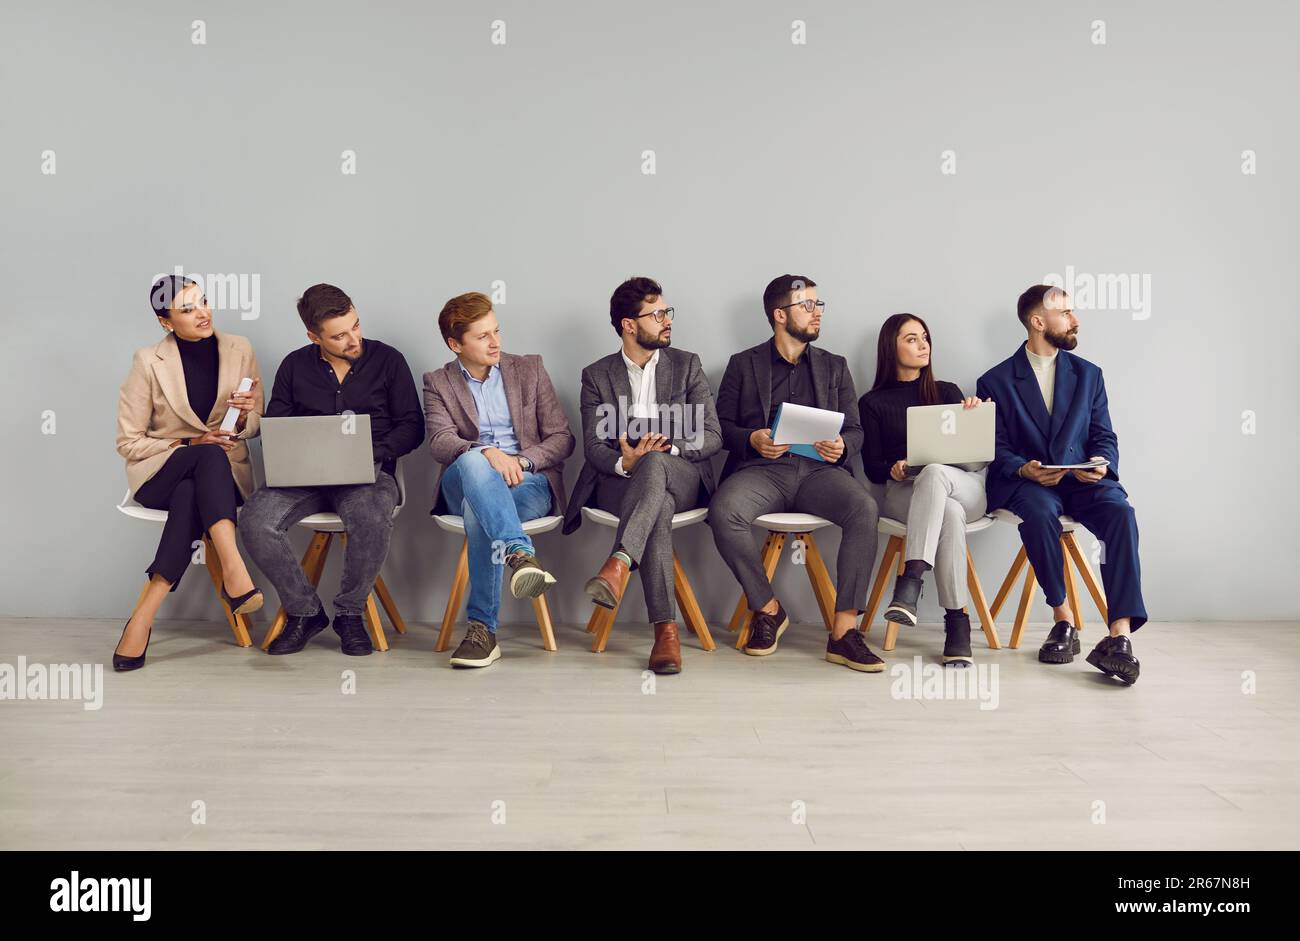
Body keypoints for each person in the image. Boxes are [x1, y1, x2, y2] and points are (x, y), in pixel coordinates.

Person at [708, 274, 884, 672]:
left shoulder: (834, 367)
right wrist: (752, 439)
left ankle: (843, 632)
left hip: (820, 471)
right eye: (807, 306)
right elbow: (720, 427)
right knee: (724, 511)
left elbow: (856, 430)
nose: (816, 313)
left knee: (864, 508)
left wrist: (842, 445)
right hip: (762, 470)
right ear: (779, 315)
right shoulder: (742, 364)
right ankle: (768, 609)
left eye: (818, 305)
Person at [240, 283, 424, 657]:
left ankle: (350, 614)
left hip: (366, 475)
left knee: (371, 517)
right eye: (339, 336)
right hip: (302, 478)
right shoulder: (294, 365)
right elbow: (278, 424)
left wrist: (370, 451)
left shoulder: (389, 360)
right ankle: (305, 611)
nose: (353, 339)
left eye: (355, 326)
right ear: (313, 336)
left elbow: (412, 425)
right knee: (255, 520)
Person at [976, 284, 1147, 684]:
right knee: (1037, 513)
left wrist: (1102, 465)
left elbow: (1105, 435)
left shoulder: (1089, 375)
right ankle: (1063, 619)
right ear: (1039, 322)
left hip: (1083, 480)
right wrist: (1024, 470)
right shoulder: (995, 381)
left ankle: (1118, 636)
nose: (1075, 320)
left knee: (1121, 513)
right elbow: (994, 448)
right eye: (1066, 313)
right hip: (1032, 484)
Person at [562, 277, 721, 674]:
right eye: (656, 314)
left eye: (666, 312)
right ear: (629, 325)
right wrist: (625, 463)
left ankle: (619, 562)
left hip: (682, 475)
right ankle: (666, 634)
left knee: (655, 464)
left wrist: (669, 449)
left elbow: (713, 435)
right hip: (620, 484)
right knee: (657, 506)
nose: (666, 320)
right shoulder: (596, 375)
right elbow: (595, 448)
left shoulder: (687, 366)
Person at [113, 275, 264, 671]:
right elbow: (128, 442)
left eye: (203, 302)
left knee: (195, 487)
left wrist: (245, 414)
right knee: (203, 456)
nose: (203, 314)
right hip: (161, 473)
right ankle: (234, 566)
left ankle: (143, 616)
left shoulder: (239, 349)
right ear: (165, 322)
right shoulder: (148, 360)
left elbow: (257, 424)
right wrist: (186, 445)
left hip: (221, 479)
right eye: (187, 309)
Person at [423, 292, 575, 668]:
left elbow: (561, 438)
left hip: (528, 483)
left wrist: (521, 461)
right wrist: (487, 452)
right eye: (482, 336)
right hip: (464, 478)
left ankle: (482, 632)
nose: (496, 342)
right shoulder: (437, 382)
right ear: (455, 344)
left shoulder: (529, 369)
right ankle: (520, 554)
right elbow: (441, 442)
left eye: (497, 331)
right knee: (476, 463)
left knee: (481, 515)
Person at [859, 313, 989, 667]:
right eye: (912, 339)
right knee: (947, 512)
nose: (923, 345)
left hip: (965, 486)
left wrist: (972, 420)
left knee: (935, 472)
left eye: (925, 338)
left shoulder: (947, 392)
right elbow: (871, 470)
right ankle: (957, 623)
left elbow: (975, 461)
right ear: (891, 346)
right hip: (908, 493)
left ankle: (911, 580)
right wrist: (894, 467)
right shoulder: (872, 403)